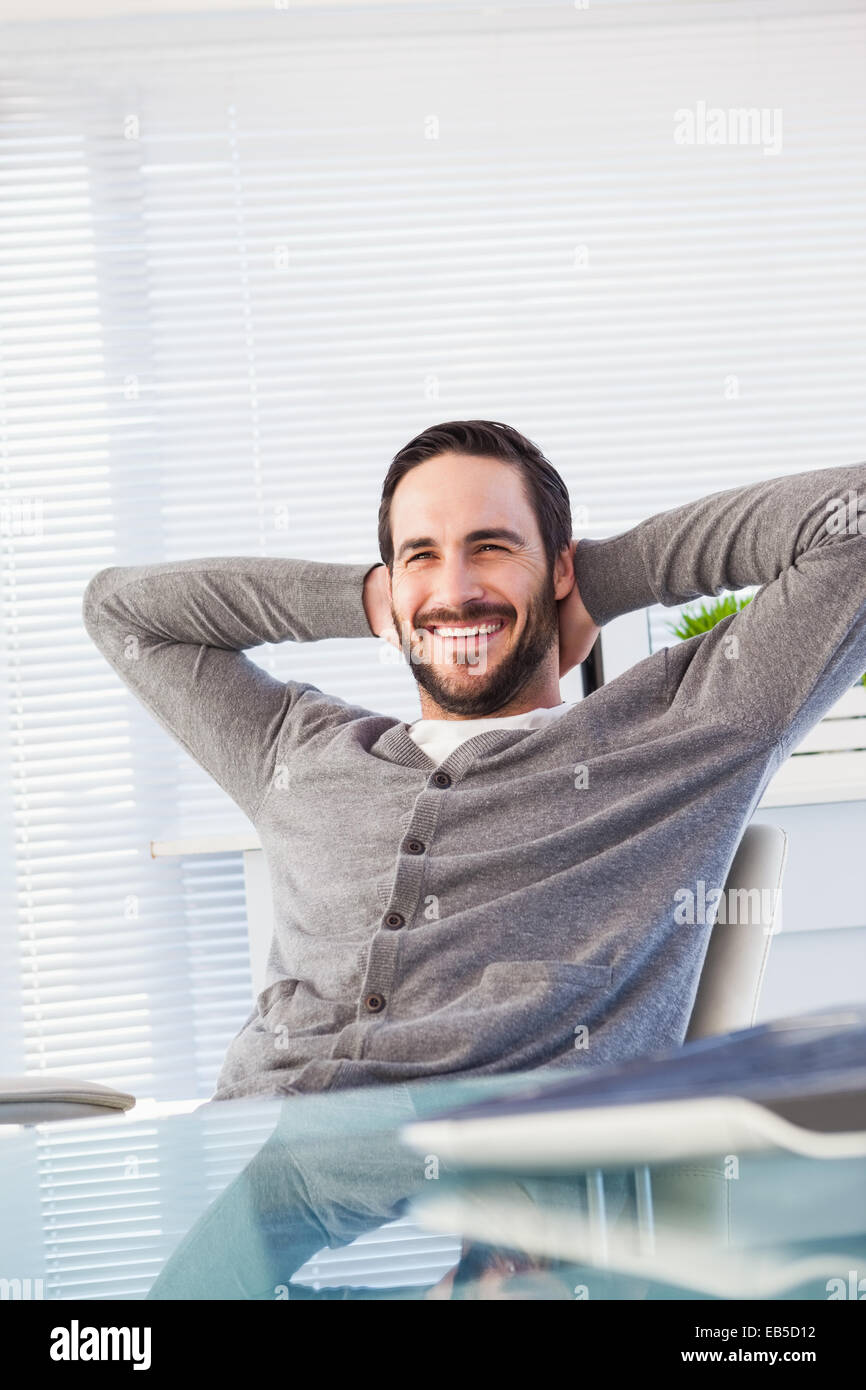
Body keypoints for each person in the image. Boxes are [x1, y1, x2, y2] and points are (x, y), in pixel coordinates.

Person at [81, 421, 866, 1103]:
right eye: (421, 556)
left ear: (556, 568)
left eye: (491, 548)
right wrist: (367, 597)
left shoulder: (678, 733)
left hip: (495, 1202)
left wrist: (604, 577)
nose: (455, 591)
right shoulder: (294, 748)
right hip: (249, 1169)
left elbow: (854, 521)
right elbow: (120, 612)